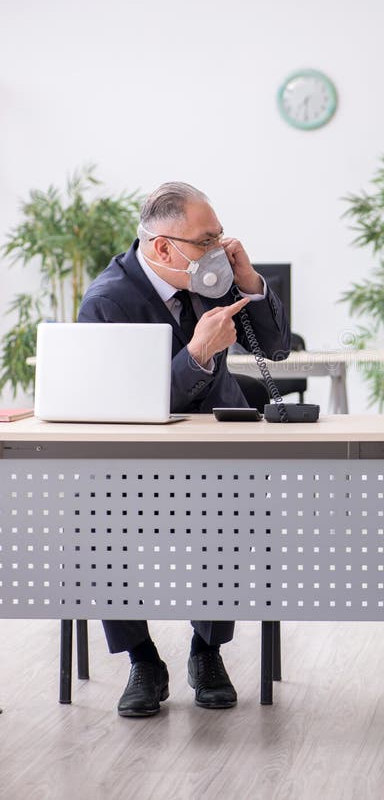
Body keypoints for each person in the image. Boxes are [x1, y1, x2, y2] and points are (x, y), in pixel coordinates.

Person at [78, 181, 290, 716]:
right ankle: (142, 659)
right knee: (98, 524)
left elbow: (276, 349)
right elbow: (119, 408)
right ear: (163, 248)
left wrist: (250, 282)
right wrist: (196, 355)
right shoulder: (108, 301)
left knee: (232, 513)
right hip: (134, 466)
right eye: (206, 239)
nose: (217, 249)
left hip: (215, 446)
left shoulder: (210, 277)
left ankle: (206, 649)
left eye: (219, 236)